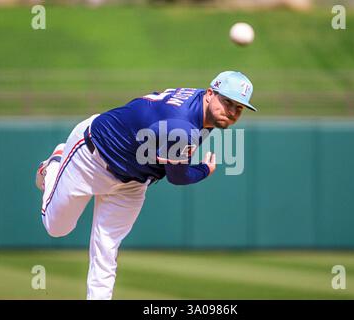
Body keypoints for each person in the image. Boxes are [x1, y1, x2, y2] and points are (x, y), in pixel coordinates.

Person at [35, 70, 256, 300]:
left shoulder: (203, 107)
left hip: (132, 182)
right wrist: (204, 169)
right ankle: (55, 164)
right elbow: (178, 177)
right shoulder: (182, 126)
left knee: (106, 250)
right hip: (93, 157)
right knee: (57, 227)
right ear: (210, 93)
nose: (231, 112)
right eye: (227, 102)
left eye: (238, 108)